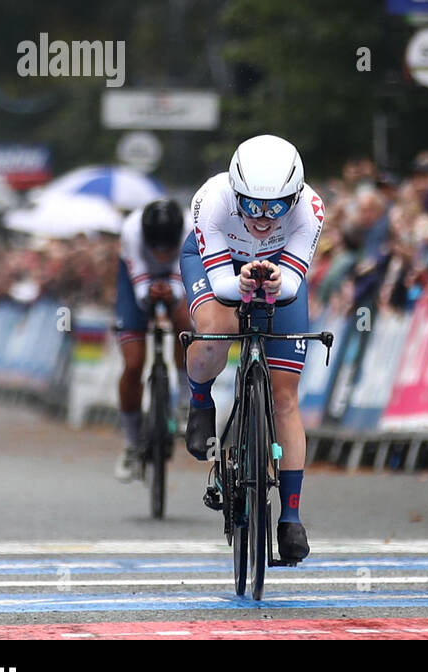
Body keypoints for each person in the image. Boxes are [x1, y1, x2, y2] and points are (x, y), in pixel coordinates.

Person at [181, 135, 324, 563]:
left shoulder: (312, 209)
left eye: (277, 206)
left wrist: (275, 283)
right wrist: (239, 284)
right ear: (235, 192)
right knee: (213, 336)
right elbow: (224, 284)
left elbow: (294, 284)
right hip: (217, 264)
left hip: (281, 271)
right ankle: (200, 400)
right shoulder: (211, 198)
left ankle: (291, 518)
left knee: (284, 397)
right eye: (252, 205)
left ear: (295, 197)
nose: (263, 218)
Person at [113, 198, 192, 482]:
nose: (160, 253)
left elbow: (186, 276)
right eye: (155, 248)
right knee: (134, 363)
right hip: (135, 277)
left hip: (180, 271)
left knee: (187, 326)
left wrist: (173, 292)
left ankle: (185, 401)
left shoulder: (191, 229)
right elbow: (139, 282)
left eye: (166, 248)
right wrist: (151, 295)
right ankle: (132, 444)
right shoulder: (131, 230)